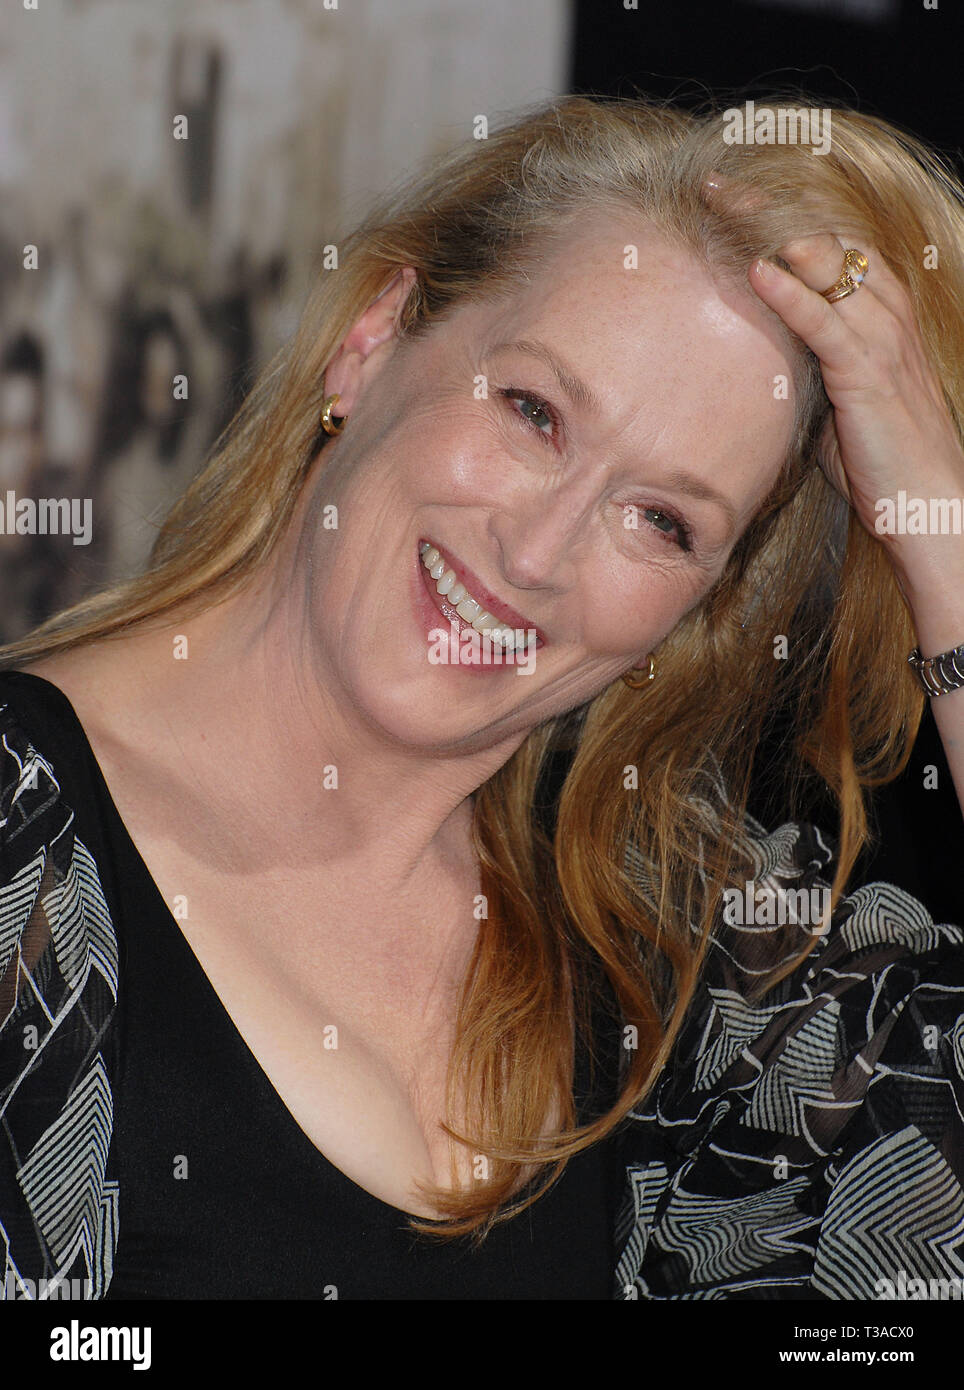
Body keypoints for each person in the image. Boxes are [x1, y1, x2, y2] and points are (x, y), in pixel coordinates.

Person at [1, 93, 962, 1302]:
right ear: (371, 337)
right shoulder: (21, 858)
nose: (539, 552)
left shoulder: (676, 977)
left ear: (700, 606)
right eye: (532, 411)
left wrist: (942, 529)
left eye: (660, 520)